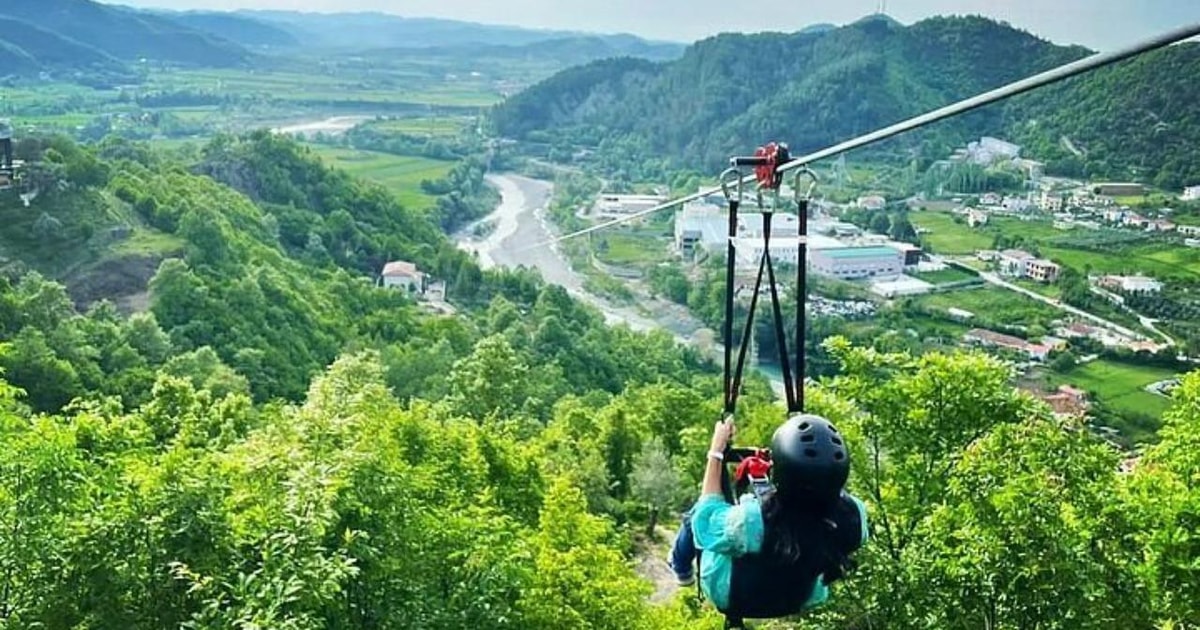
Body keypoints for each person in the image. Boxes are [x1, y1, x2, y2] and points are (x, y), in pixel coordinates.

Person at [667, 414, 869, 619]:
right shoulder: (853, 517)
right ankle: (680, 566)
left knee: (696, 514)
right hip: (797, 597)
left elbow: (706, 517)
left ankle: (681, 568)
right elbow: (809, 510)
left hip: (733, 595)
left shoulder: (753, 522)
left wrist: (716, 452)